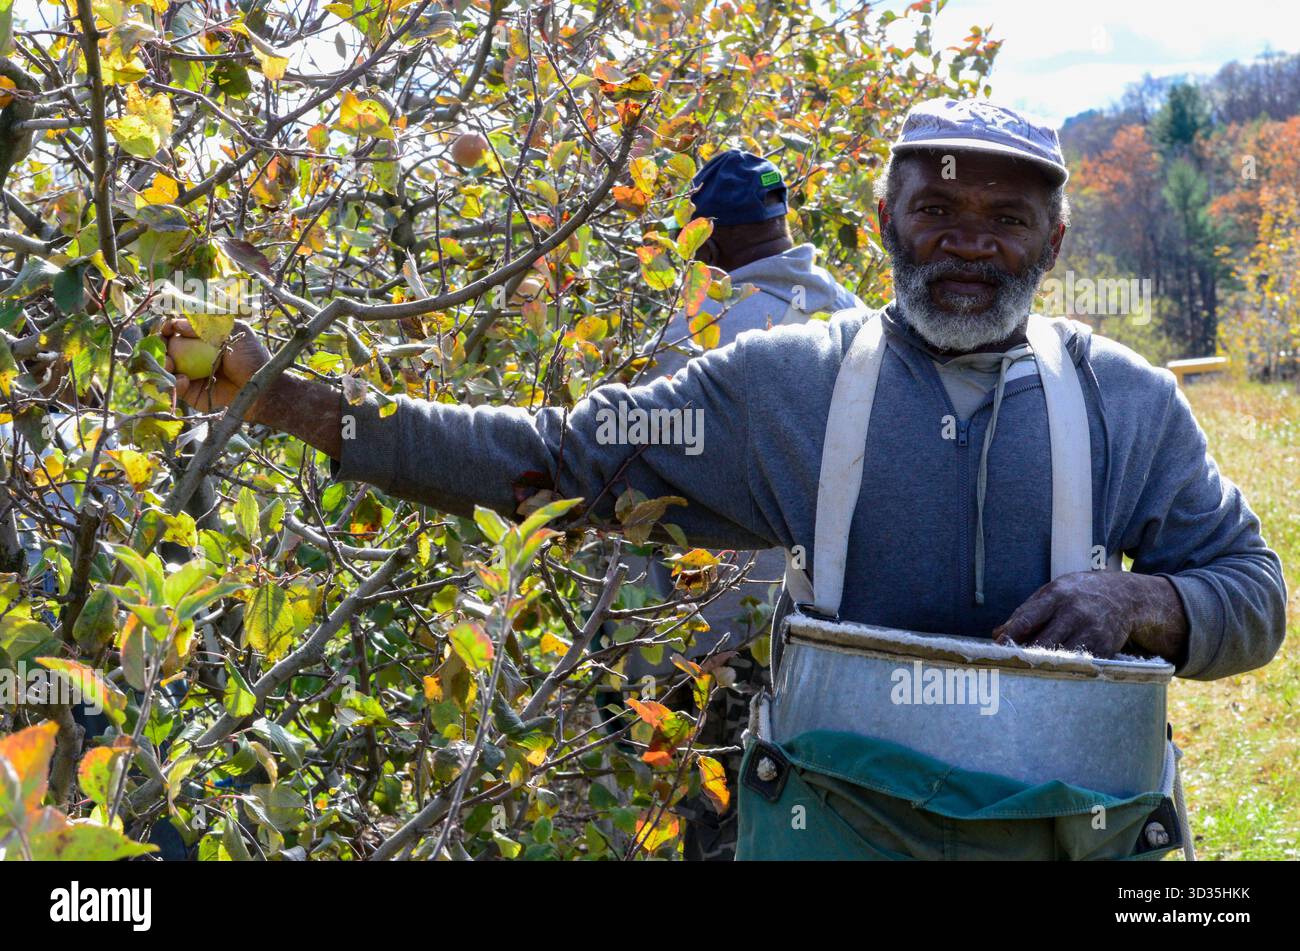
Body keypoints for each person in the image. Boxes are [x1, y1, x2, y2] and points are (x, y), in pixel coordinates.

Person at [164, 98, 1287, 859]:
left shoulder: (1128, 401)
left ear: (1054, 242)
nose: (967, 245)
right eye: (937, 212)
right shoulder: (780, 389)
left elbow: (1253, 593)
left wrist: (1150, 600)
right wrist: (290, 402)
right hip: (848, 831)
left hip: (1079, 831)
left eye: (1006, 220)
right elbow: (557, 459)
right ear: (882, 222)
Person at [622, 149, 862, 861]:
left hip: (712, 646)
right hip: (828, 640)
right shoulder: (857, 320)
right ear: (781, 222)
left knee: (718, 827)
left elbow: (632, 476)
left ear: (710, 237)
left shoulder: (689, 336)